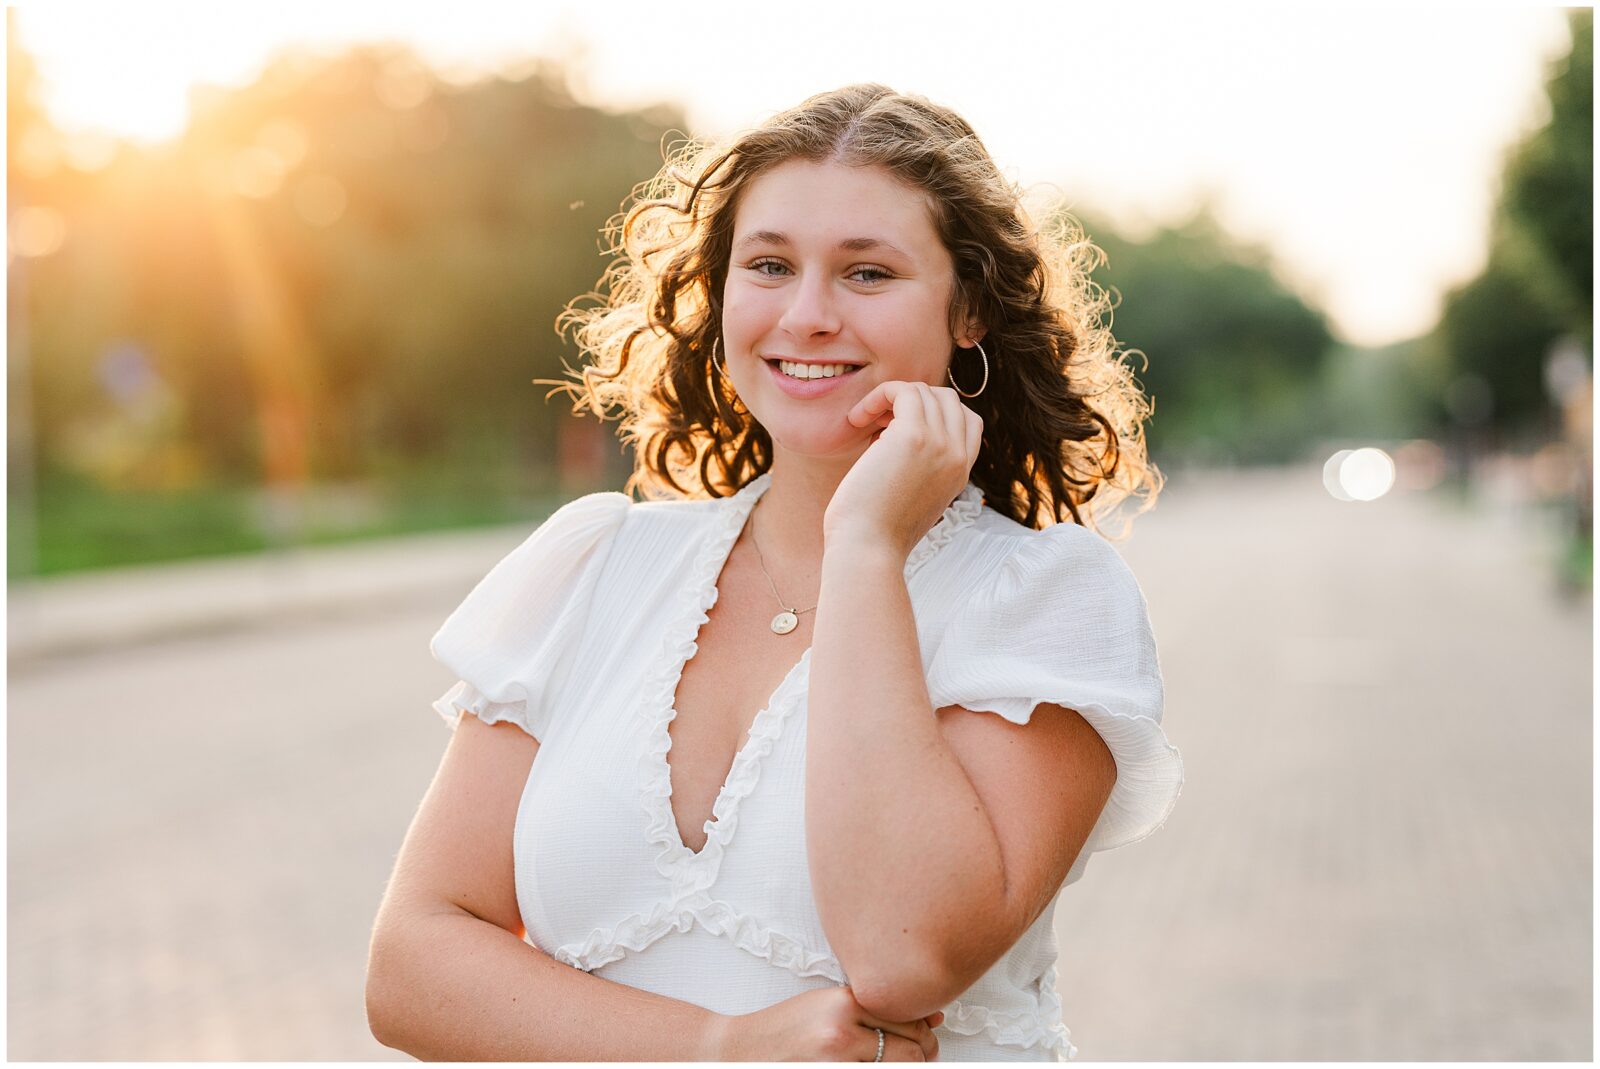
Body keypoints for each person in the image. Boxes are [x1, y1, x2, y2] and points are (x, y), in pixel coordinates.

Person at [366, 83, 1184, 1062]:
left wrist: (869, 547)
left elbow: (904, 954)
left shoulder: (1047, 597)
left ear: (966, 307)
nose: (806, 315)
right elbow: (412, 965)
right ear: (721, 294)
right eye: (768, 265)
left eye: (867, 273)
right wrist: (718, 1045)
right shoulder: (597, 563)